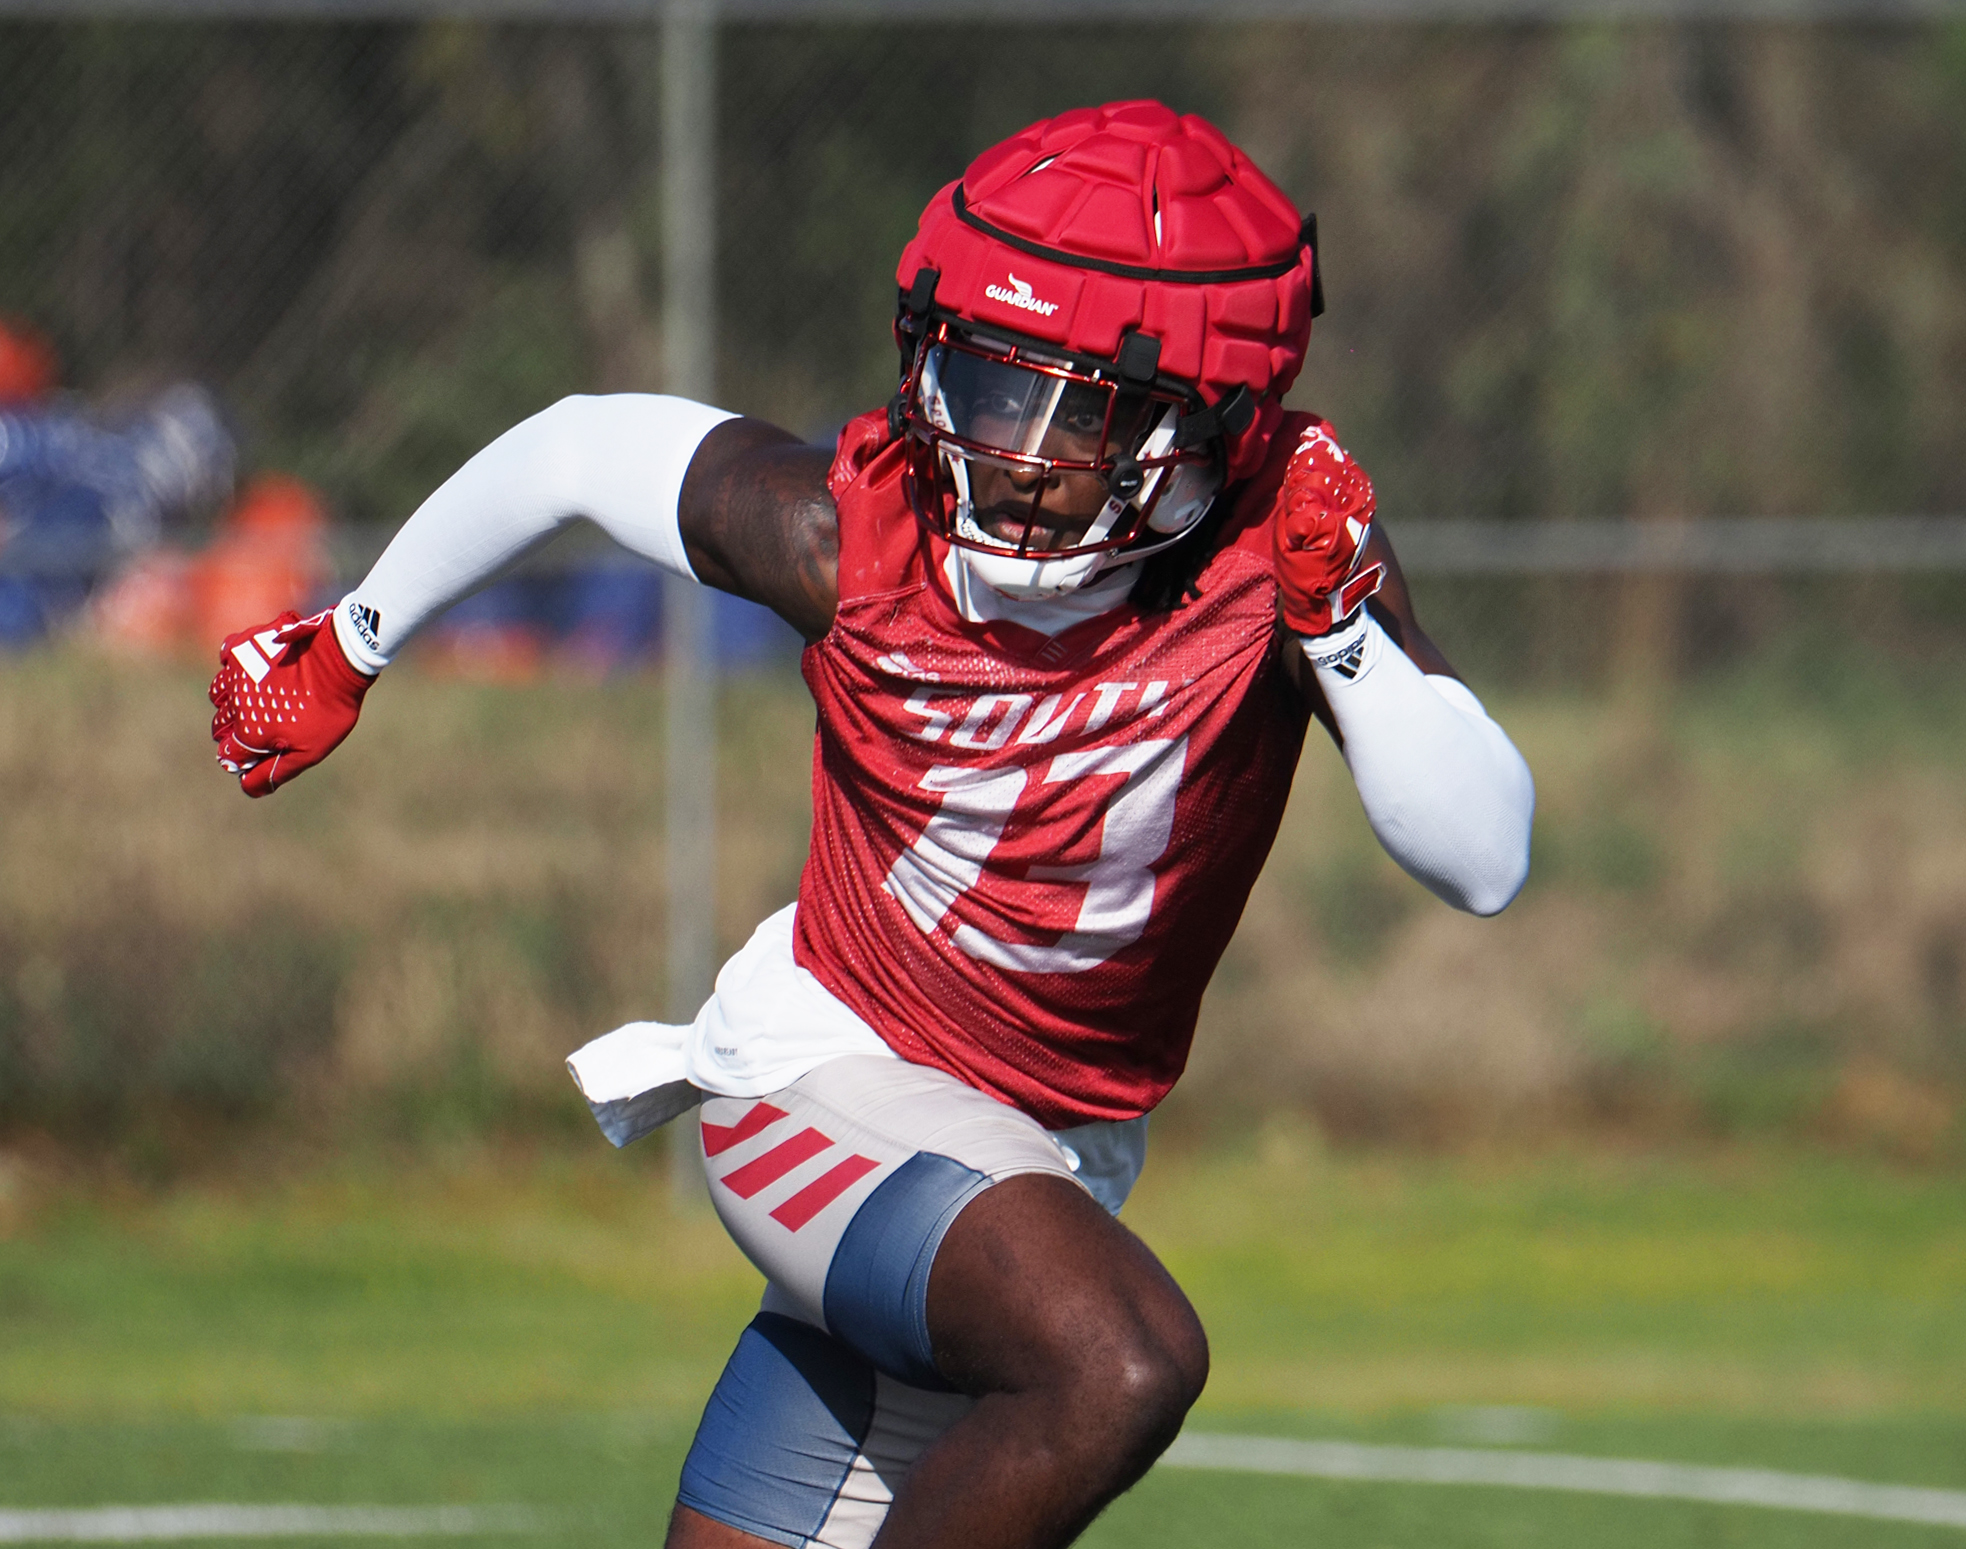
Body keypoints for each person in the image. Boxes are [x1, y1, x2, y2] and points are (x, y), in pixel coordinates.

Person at [206, 101, 1533, 1549]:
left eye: (1071, 407)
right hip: (824, 1075)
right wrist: (348, 641)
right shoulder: (852, 529)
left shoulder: (1285, 549)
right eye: (981, 381)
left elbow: (1484, 859)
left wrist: (1341, 634)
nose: (1005, 450)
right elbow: (577, 450)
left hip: (1032, 1165)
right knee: (1117, 1361)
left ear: (1203, 423)